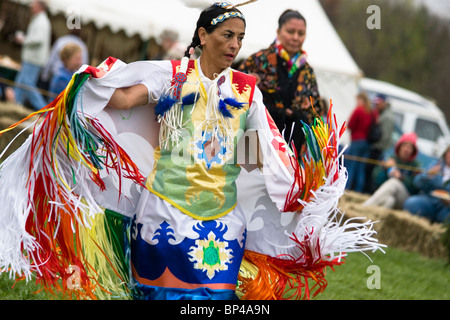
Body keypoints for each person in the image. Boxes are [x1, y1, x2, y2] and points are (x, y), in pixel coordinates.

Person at [0, 1, 384, 301]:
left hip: (223, 223)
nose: (234, 44)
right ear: (203, 35)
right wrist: (86, 84)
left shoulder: (247, 90)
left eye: (240, 37)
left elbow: (256, 152)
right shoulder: (172, 74)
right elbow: (125, 99)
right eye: (227, 35)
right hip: (163, 215)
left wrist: (293, 189)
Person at [238, 9, 321, 156]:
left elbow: (316, 111)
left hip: (290, 151)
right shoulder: (258, 61)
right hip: (256, 148)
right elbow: (237, 97)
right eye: (290, 31)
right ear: (278, 31)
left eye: (300, 34)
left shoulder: (307, 72)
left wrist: (297, 115)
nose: (295, 37)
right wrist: (277, 112)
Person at [363, 132, 420, 209]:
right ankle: (374, 218)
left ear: (413, 151)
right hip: (390, 195)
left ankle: (364, 207)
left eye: (410, 147)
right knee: (389, 201)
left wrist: (401, 177)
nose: (406, 149)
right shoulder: (391, 158)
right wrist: (384, 169)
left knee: (394, 182)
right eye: (404, 145)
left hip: (405, 200)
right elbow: (377, 180)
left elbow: (415, 188)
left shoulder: (416, 165)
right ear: (399, 147)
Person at [12, 0, 51, 110]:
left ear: (40, 6)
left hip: (33, 61)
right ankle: (14, 107)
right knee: (20, 85)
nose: (31, 6)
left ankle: (44, 110)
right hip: (30, 60)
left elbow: (38, 39)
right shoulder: (39, 19)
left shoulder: (42, 21)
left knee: (27, 86)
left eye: (34, 4)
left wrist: (23, 39)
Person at [403, 146, 450, 223]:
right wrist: (428, 175)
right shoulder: (436, 164)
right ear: (445, 153)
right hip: (429, 200)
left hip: (446, 208)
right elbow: (417, 183)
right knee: (411, 203)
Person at [365, 94, 395, 193]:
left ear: (384, 103)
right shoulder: (383, 114)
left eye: (378, 103)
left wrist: (376, 145)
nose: (376, 105)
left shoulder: (387, 117)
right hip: (378, 149)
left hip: (379, 150)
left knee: (374, 173)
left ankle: (370, 192)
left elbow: (385, 136)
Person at [345, 92, 374, 193]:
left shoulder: (358, 110)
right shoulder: (370, 111)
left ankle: (346, 188)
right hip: (366, 142)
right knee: (361, 167)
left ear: (361, 99)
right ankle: (358, 190)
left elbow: (350, 124)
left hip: (356, 140)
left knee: (351, 165)